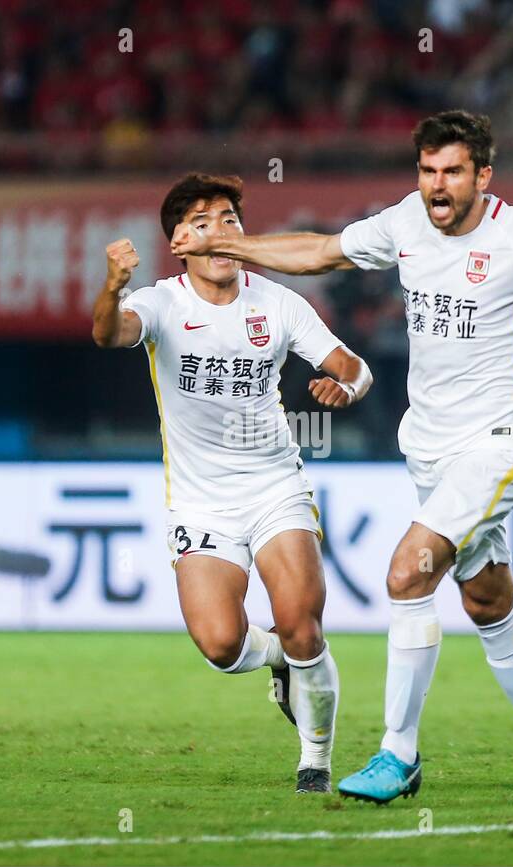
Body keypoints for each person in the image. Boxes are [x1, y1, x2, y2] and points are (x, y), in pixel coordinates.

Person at [170, 111, 513, 803]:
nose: (438, 185)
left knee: (408, 575)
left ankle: (397, 756)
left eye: (453, 172)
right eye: (428, 170)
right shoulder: (406, 222)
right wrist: (235, 247)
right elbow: (319, 252)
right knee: (486, 596)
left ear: (483, 176)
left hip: (499, 444)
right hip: (430, 448)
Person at [93, 173, 373, 792]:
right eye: (199, 222)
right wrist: (113, 288)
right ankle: (277, 661)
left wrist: (346, 386)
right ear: (178, 245)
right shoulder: (162, 303)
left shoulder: (277, 303)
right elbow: (109, 333)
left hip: (275, 487)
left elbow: (353, 366)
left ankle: (316, 760)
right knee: (221, 645)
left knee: (303, 622)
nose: (217, 230)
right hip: (201, 502)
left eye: (227, 218)